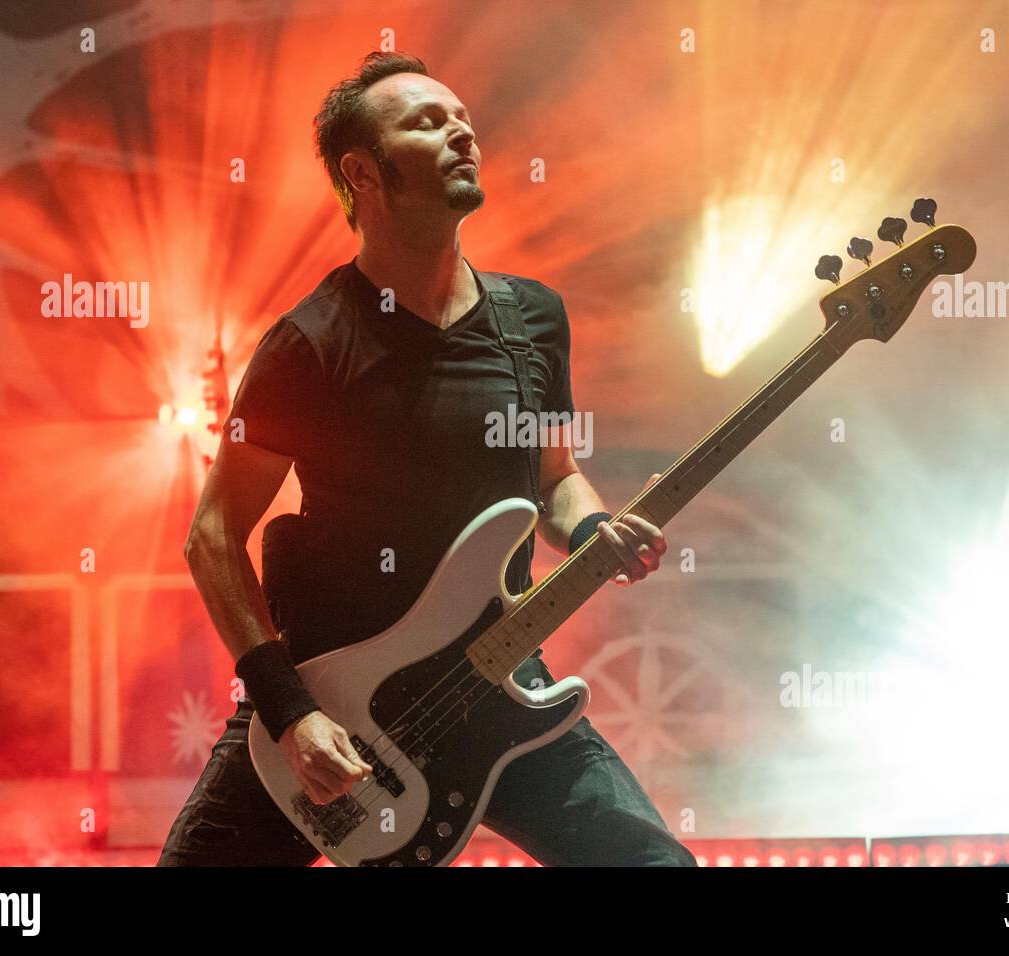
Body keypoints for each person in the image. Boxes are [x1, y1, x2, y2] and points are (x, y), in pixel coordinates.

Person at [157, 51, 695, 867]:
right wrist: (290, 711)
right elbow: (211, 536)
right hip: (331, 697)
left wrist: (592, 534)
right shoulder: (310, 344)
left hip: (495, 677)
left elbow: (554, 481)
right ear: (362, 172)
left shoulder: (533, 321)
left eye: (463, 121)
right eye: (426, 123)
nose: (461, 135)